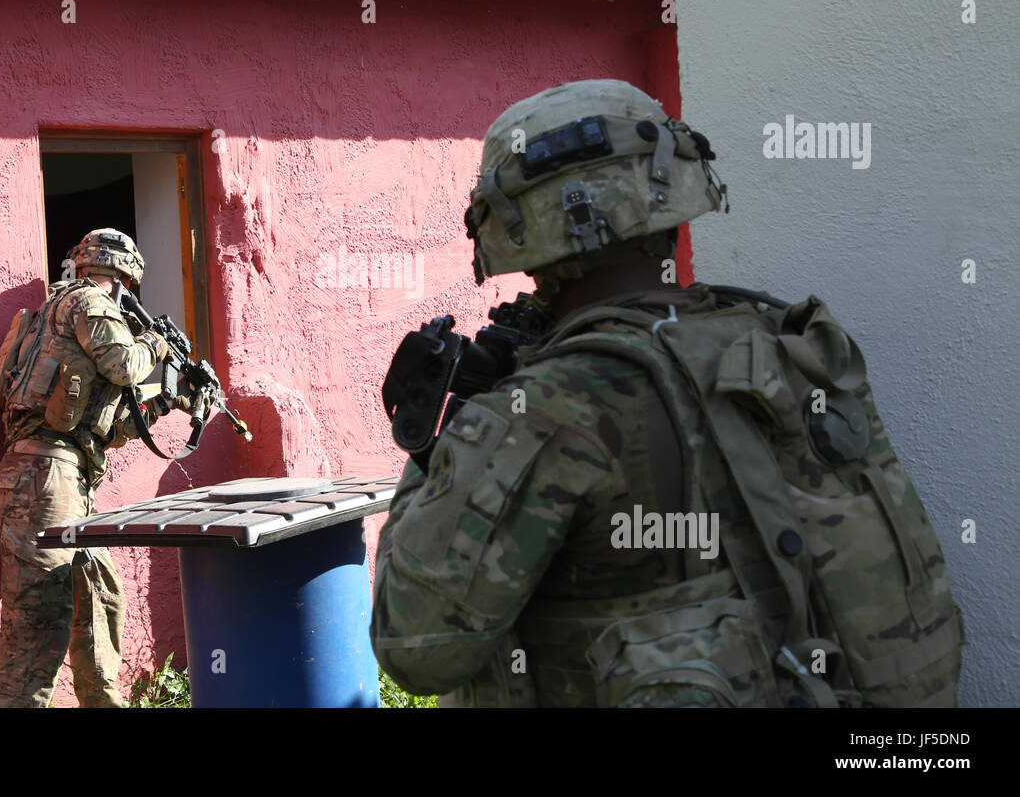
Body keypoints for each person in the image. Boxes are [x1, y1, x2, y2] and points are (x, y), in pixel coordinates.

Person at [370, 80, 963, 707]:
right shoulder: (782, 344)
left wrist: (438, 440)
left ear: (514, 233)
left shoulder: (546, 408)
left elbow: (418, 648)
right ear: (676, 195)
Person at [0, 227, 182, 707]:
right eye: (127, 288)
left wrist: (168, 401)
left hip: (64, 475)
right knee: (39, 619)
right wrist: (157, 342)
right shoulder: (86, 301)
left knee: (100, 594)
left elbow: (105, 427)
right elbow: (125, 365)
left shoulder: (64, 322)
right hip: (43, 477)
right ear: (118, 274)